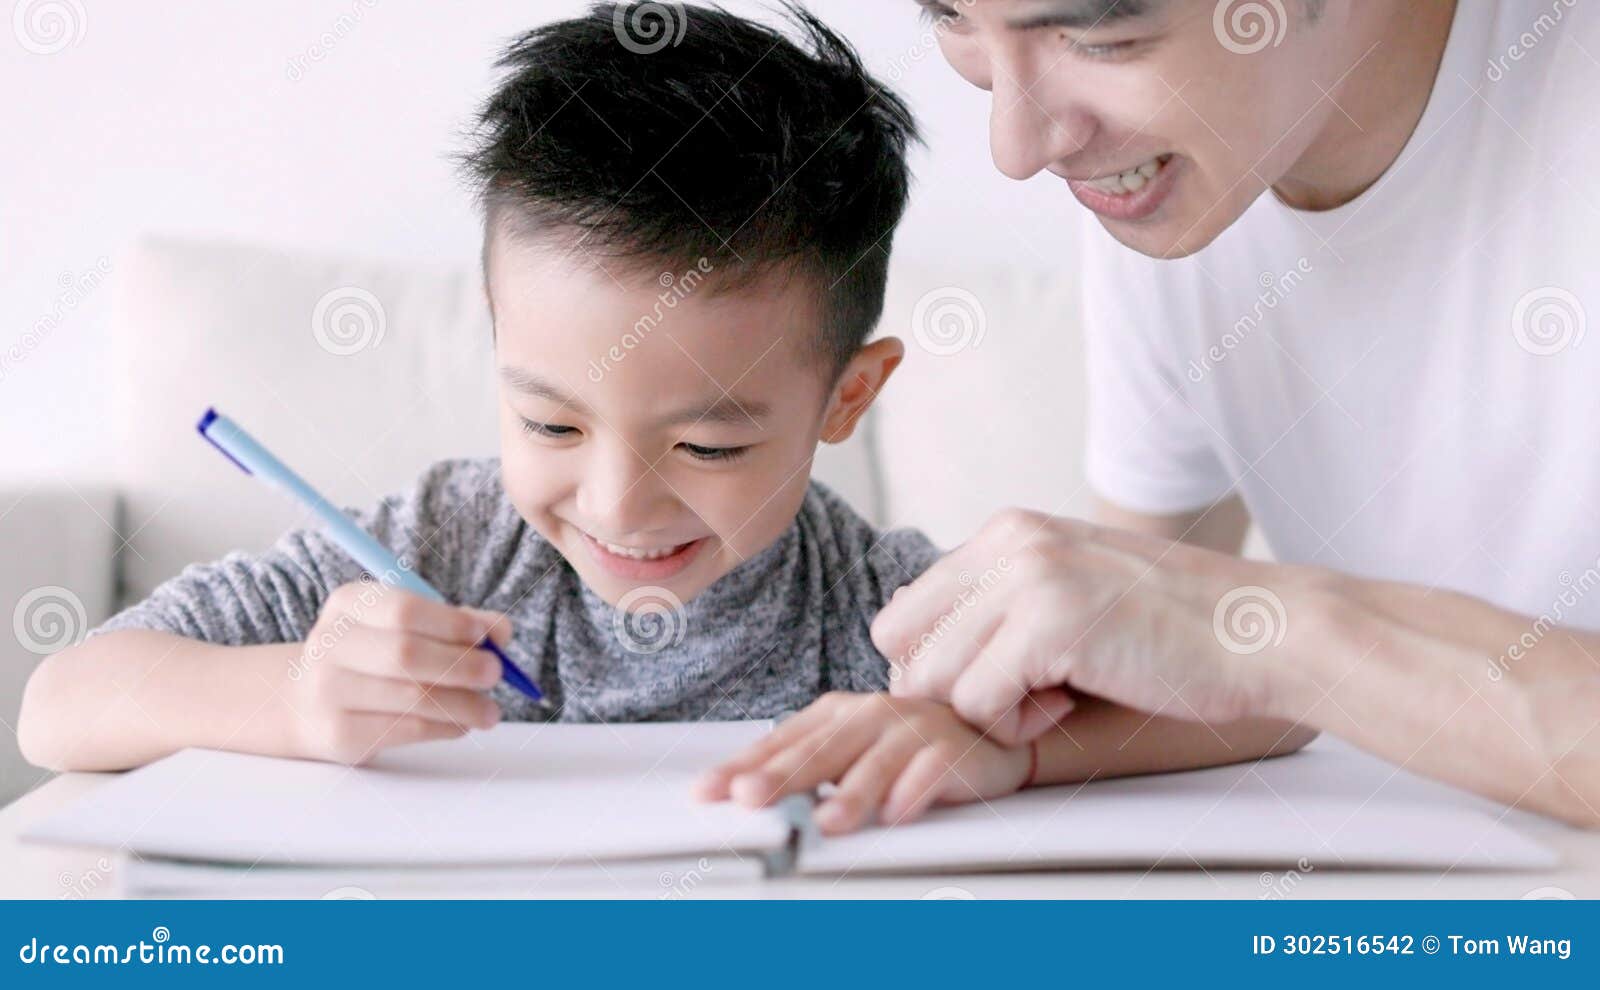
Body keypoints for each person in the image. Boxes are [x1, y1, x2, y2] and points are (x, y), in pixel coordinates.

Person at [15, 3, 1309, 837]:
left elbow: (1270, 704)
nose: (621, 504)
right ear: (496, 340)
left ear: (845, 397)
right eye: (553, 422)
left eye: (709, 444)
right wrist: (294, 696)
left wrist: (983, 737)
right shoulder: (435, 548)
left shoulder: (883, 608)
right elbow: (62, 707)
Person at [857, 0, 1598, 828]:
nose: (1018, 148)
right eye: (951, 18)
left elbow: (1212, 630)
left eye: (1103, 39)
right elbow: (1149, 649)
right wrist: (994, 738)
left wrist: (1277, 633)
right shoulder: (1178, 181)